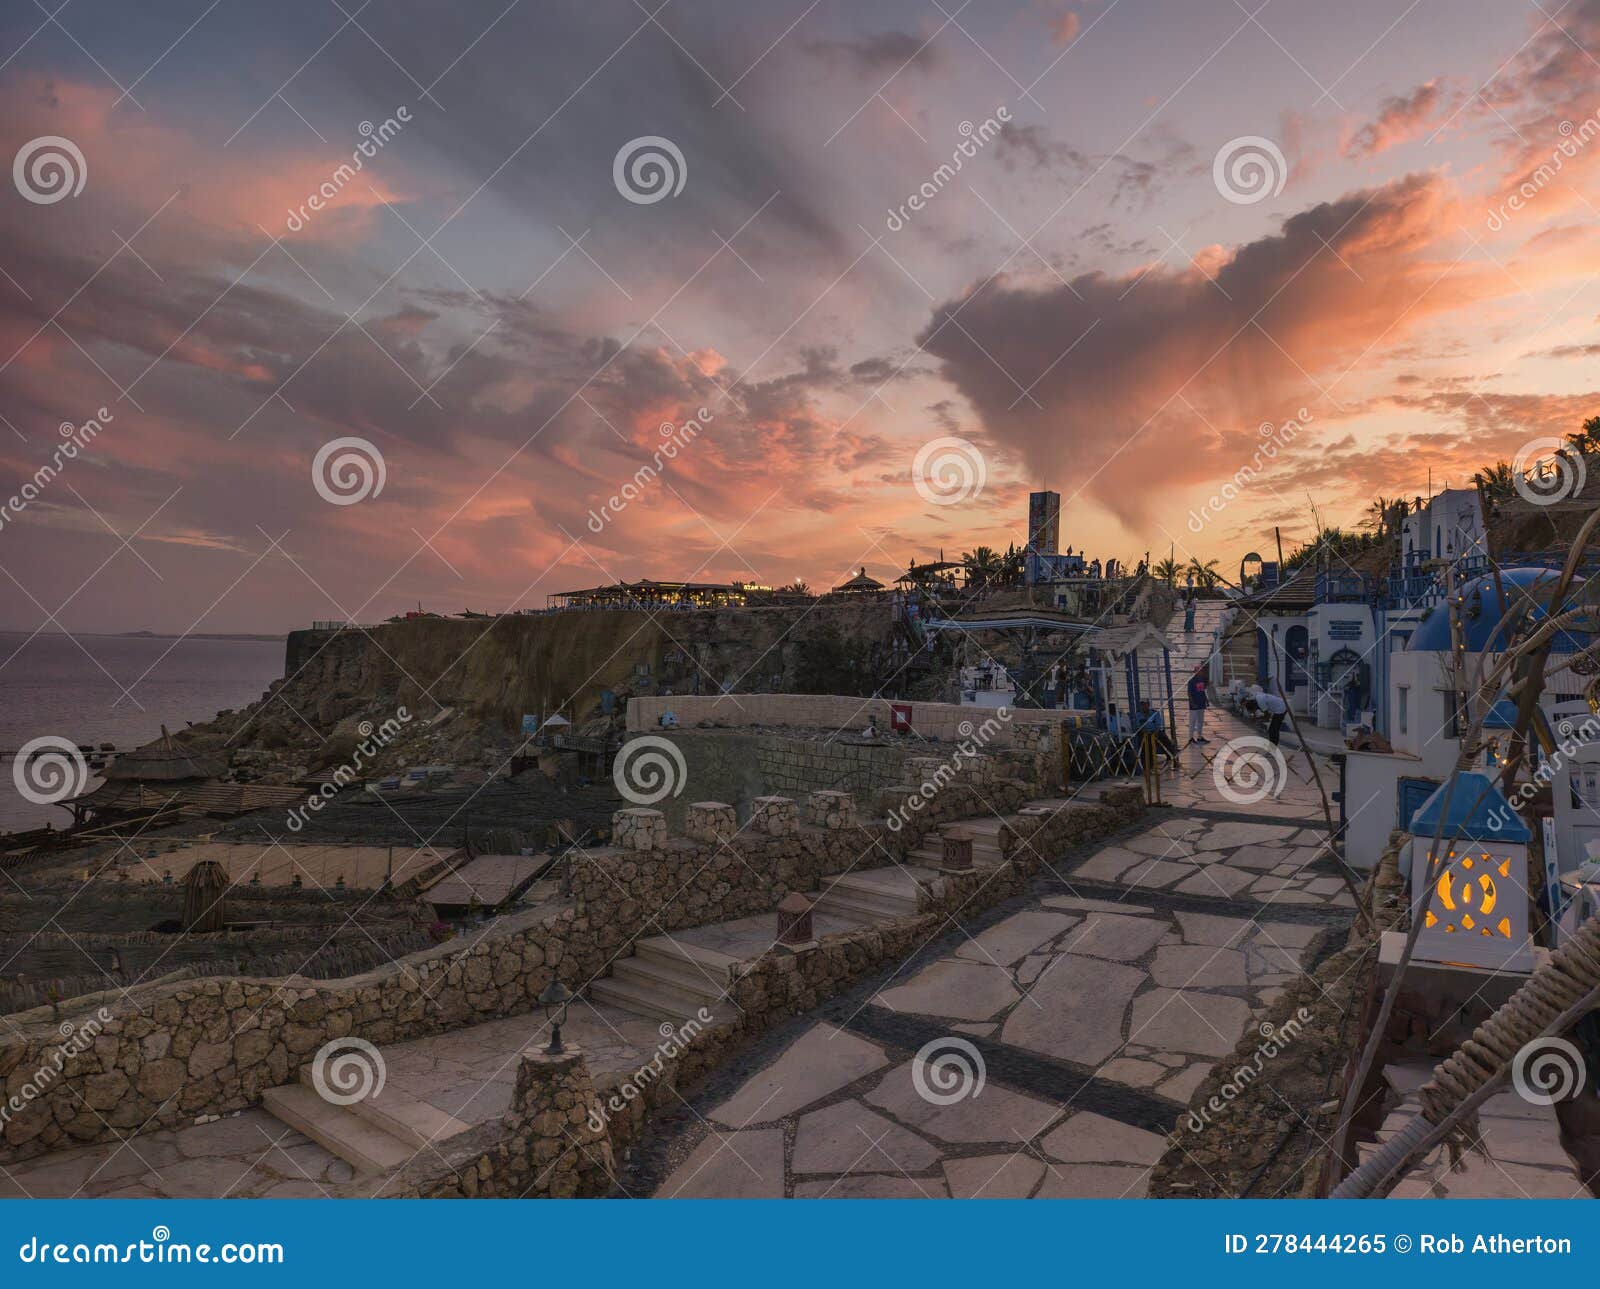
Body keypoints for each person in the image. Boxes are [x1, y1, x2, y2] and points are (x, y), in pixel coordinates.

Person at [1186, 663, 1209, 745]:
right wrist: (1192, 703)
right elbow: (1189, 693)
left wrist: (1206, 700)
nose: (1201, 672)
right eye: (1200, 671)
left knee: (1200, 721)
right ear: (1196, 672)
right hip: (1194, 705)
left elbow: (1202, 691)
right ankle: (1191, 737)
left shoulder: (1201, 680)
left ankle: (1199, 737)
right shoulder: (1191, 681)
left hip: (1201, 704)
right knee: (1192, 721)